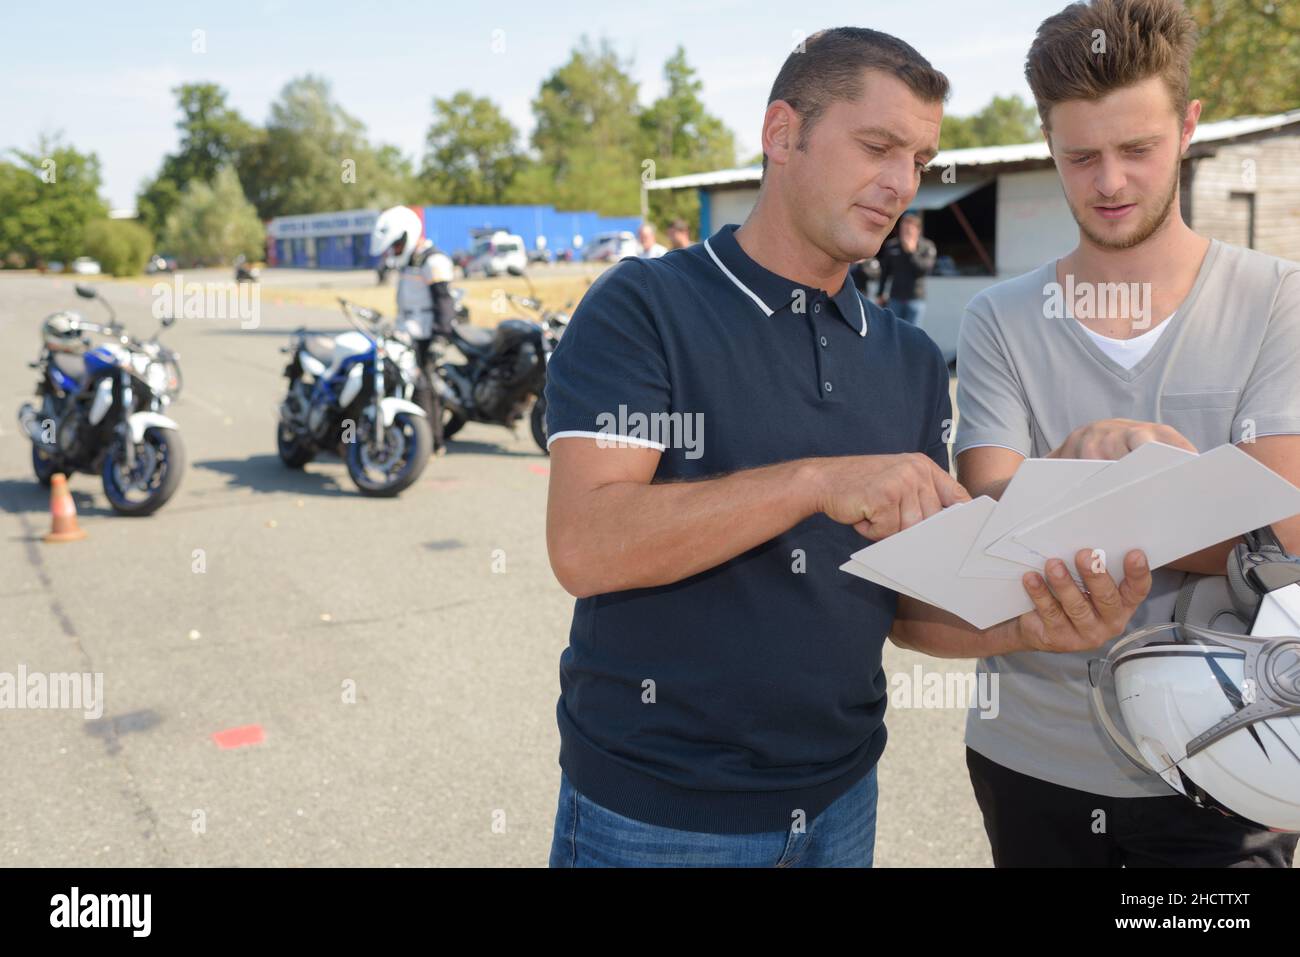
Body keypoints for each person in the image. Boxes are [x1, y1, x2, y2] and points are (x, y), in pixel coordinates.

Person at [542, 26, 1151, 868]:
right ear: (782, 132)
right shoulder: (644, 305)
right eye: (878, 145)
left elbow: (907, 607)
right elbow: (585, 543)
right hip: (658, 815)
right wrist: (813, 482)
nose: (903, 182)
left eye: (921, 159)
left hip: (840, 805)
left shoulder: (905, 359)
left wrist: (1037, 621)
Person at [923, 0, 1300, 867]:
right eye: (1081, 156)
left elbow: (1284, 529)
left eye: (1139, 149)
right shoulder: (997, 319)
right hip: (1029, 756)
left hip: (1236, 754)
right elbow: (987, 518)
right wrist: (1185, 489)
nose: (1111, 182)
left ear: (1190, 127)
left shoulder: (1278, 296)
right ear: (1049, 142)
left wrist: (1059, 498)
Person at [369, 205, 455, 451]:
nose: (394, 250)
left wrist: (440, 338)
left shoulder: (433, 260)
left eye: (396, 244)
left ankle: (432, 442)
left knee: (424, 388)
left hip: (426, 336)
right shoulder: (409, 260)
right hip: (406, 332)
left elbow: (444, 302)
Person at [874, 213, 935, 328]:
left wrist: (911, 252)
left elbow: (924, 270)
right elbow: (885, 272)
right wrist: (880, 293)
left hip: (915, 299)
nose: (905, 232)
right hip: (895, 298)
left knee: (912, 334)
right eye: (903, 229)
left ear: (917, 230)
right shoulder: (892, 246)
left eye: (909, 230)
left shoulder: (926, 246)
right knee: (894, 331)